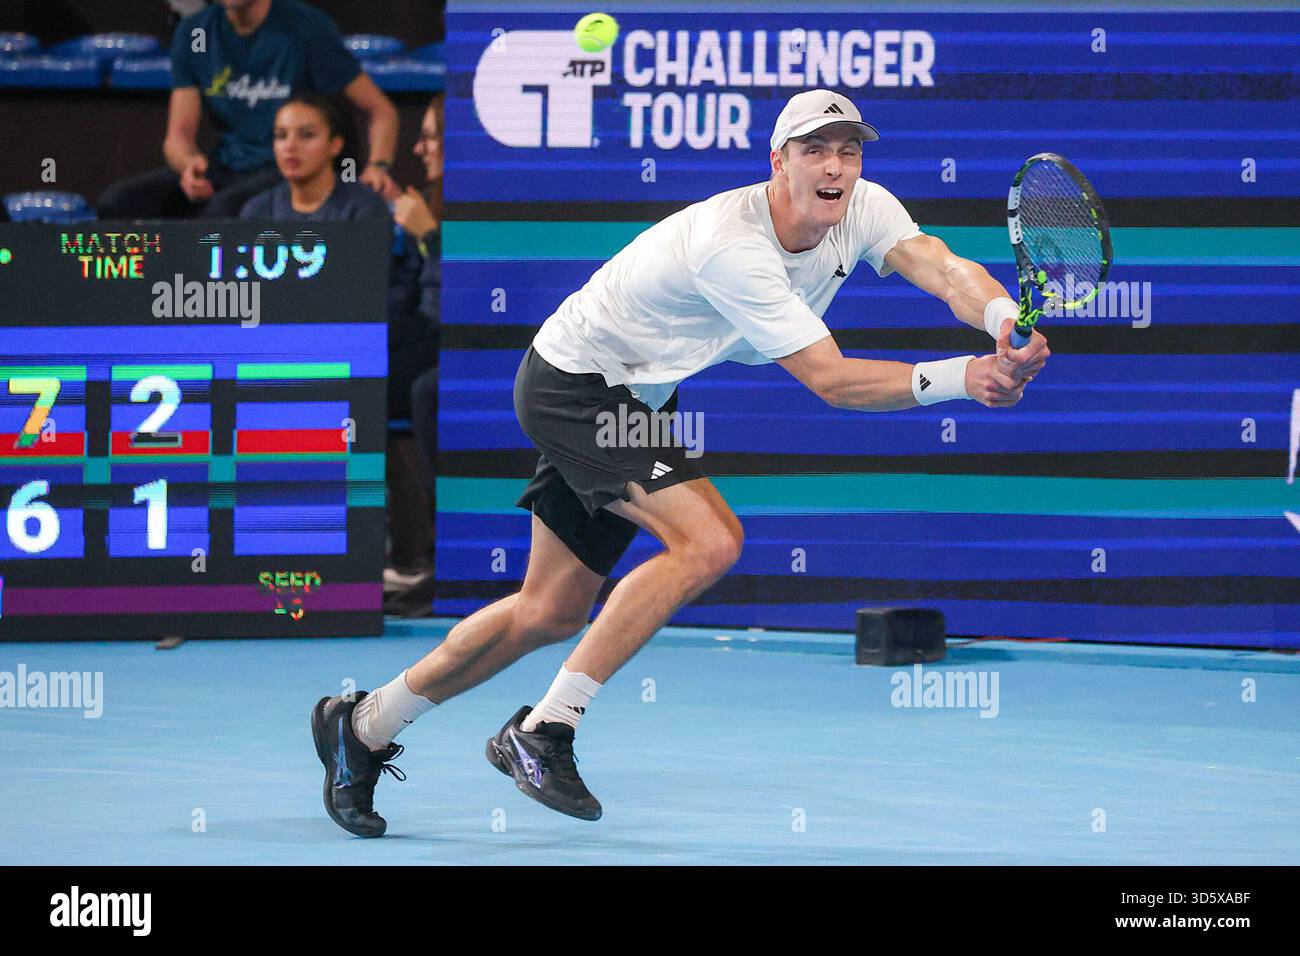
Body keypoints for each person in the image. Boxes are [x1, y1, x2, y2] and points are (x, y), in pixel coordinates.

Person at [309, 89, 1051, 836]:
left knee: (548, 611)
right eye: (814, 150)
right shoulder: (735, 247)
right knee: (710, 540)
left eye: (849, 150)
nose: (835, 166)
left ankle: (363, 724)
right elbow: (832, 380)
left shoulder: (860, 206)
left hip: (634, 395)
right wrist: (965, 378)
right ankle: (546, 729)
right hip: (577, 385)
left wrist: (1000, 319)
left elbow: (941, 266)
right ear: (778, 163)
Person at [242, 93, 440, 606]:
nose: (291, 146)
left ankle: (389, 555)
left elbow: (386, 294)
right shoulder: (255, 211)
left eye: (306, 134)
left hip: (363, 349)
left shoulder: (363, 209)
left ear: (334, 145)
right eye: (282, 135)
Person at [98, 0, 398, 219]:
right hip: (224, 166)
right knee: (117, 203)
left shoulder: (307, 28)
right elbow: (178, 136)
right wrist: (188, 165)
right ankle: (139, 301)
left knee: (223, 211)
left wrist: (378, 166)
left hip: (286, 168)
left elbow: (381, 111)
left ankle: (213, 303)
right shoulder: (195, 34)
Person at [383, 94, 444, 615]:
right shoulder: (422, 198)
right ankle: (392, 553)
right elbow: (406, 295)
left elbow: (456, 309)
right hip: (419, 330)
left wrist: (430, 237)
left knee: (426, 391)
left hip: (458, 342)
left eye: (432, 136)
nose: (421, 148)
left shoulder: (463, 210)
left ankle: (429, 554)